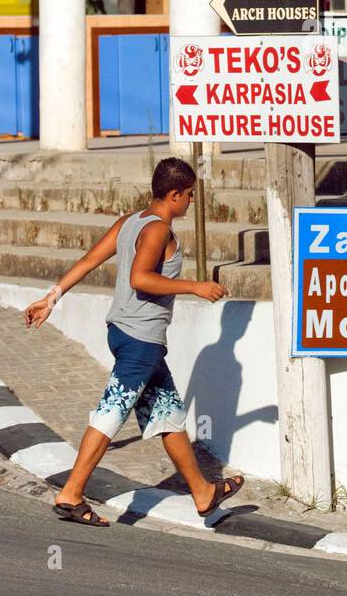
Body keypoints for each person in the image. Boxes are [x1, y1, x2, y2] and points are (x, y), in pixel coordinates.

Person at [24, 156, 244, 528]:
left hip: (129, 335)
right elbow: (141, 278)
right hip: (140, 338)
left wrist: (53, 295)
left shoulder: (130, 221)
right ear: (174, 194)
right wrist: (194, 286)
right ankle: (71, 493)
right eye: (189, 195)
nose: (191, 201)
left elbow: (91, 258)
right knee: (112, 411)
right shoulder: (158, 230)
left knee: (167, 415)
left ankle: (203, 493)